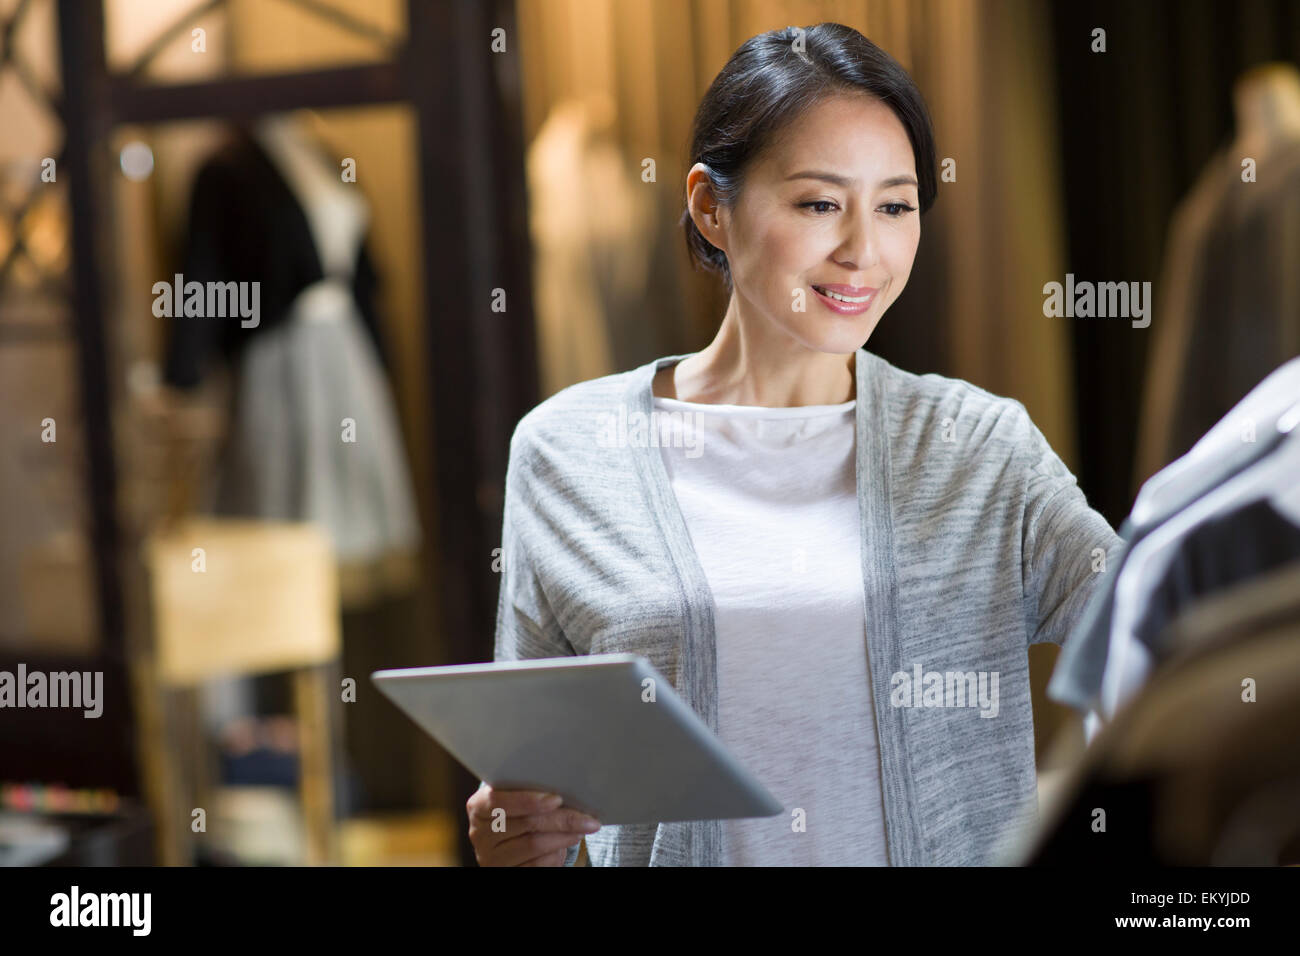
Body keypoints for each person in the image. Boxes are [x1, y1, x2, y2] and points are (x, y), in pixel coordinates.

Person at [468, 22, 1122, 866]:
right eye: (819, 204)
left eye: (895, 205)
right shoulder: (566, 452)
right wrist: (515, 838)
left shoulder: (980, 447)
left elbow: (1154, 628)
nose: (864, 252)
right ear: (711, 206)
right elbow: (529, 782)